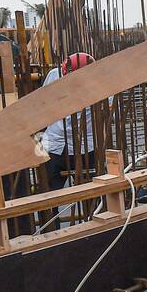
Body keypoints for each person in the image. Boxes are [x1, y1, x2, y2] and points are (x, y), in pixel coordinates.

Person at [38, 52, 96, 190]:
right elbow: (42, 102)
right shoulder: (54, 75)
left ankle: (91, 211)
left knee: (89, 193)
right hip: (53, 144)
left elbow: (109, 110)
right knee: (48, 194)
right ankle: (50, 212)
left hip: (85, 147)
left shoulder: (99, 81)